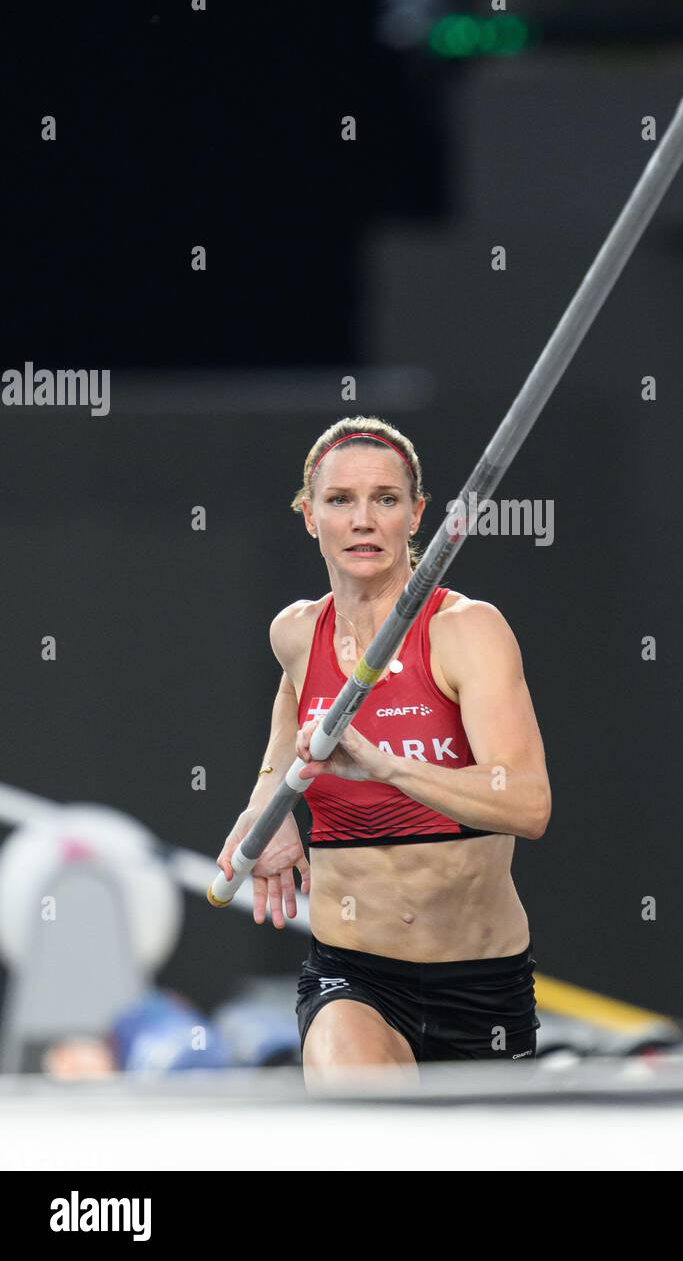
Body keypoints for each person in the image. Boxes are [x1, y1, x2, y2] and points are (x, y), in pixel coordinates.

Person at [217, 415, 549, 1083]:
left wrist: (386, 766)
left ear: (416, 514)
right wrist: (270, 800)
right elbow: (291, 698)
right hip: (353, 975)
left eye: (385, 500)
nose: (363, 520)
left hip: (480, 986)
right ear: (310, 516)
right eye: (340, 501)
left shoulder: (466, 631)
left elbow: (527, 804)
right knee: (366, 1124)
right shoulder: (294, 633)